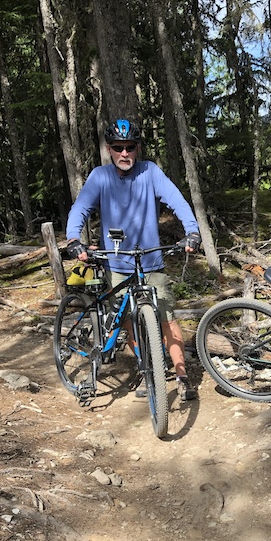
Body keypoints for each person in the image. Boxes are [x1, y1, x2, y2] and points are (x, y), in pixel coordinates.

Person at [65, 119, 201, 401]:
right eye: (118, 148)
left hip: (150, 262)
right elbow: (80, 209)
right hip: (115, 265)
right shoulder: (100, 177)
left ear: (137, 148)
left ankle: (181, 375)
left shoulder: (150, 172)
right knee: (127, 319)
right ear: (109, 149)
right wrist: (73, 239)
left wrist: (192, 231)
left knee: (165, 317)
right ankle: (148, 368)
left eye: (130, 147)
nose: (124, 153)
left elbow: (176, 200)